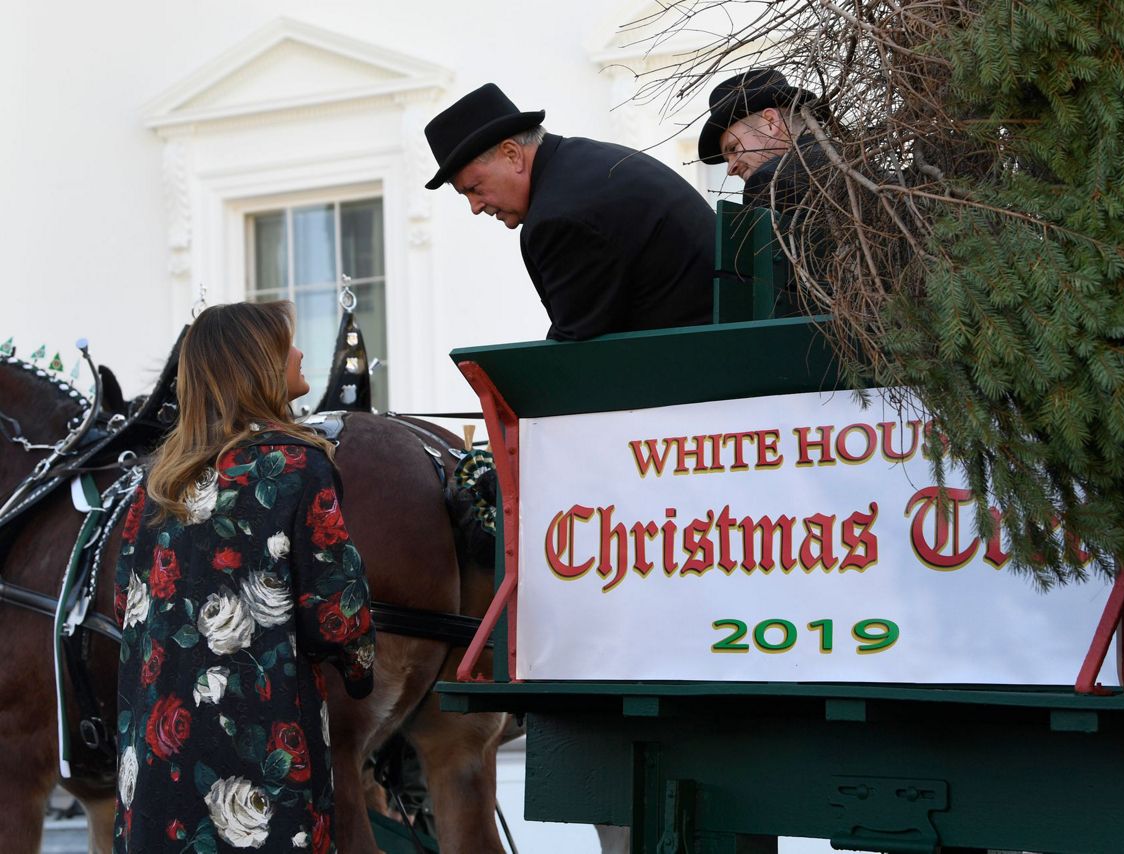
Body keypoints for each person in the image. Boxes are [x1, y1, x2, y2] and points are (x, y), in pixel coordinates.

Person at [112, 301, 375, 852]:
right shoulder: (298, 467)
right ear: (258, 365)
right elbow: (336, 613)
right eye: (286, 346)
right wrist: (359, 672)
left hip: (158, 763)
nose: (300, 354)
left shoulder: (153, 484)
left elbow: (126, 606)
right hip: (264, 750)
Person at [424, 83, 715, 341]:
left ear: (512, 154)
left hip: (700, 365)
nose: (475, 207)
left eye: (475, 188)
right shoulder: (580, 162)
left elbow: (577, 345)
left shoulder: (558, 218)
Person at [697, 67, 827, 212]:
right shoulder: (844, 155)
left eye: (733, 148)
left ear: (770, 122)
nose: (730, 170)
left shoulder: (770, 181)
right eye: (727, 160)